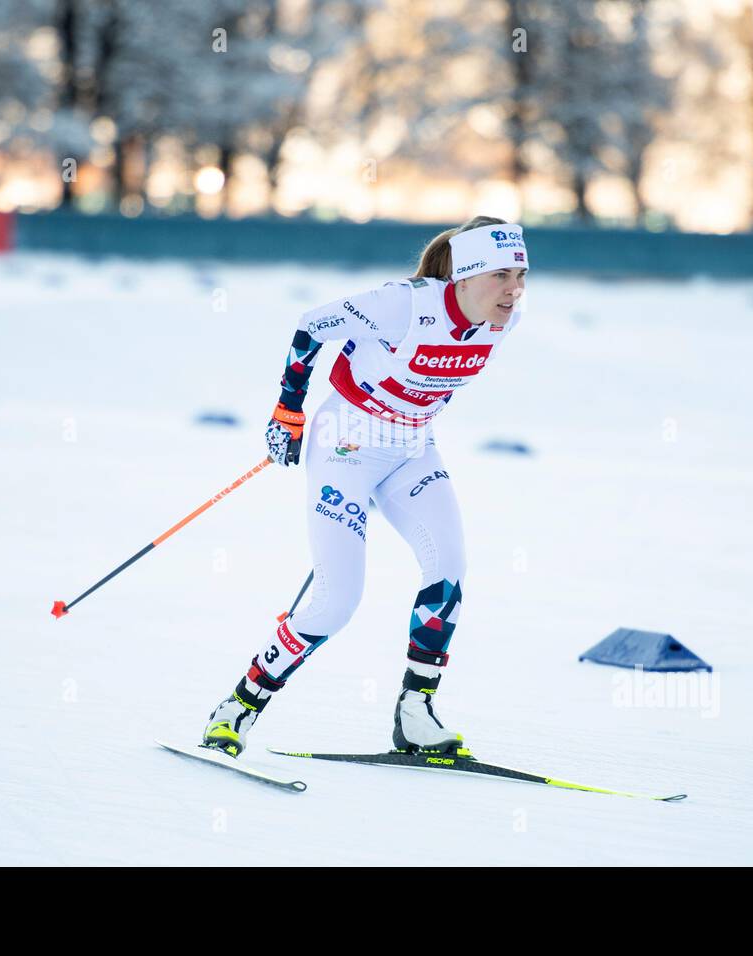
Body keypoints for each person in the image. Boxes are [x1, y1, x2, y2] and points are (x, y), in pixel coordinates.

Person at [201, 215, 530, 758]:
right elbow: (311, 326)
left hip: (412, 449)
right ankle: (237, 708)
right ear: (465, 277)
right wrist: (288, 410)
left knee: (448, 572)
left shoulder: (504, 320)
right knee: (336, 602)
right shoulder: (403, 304)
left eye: (521, 275)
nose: (514, 290)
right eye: (501, 276)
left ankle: (415, 713)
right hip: (344, 445)